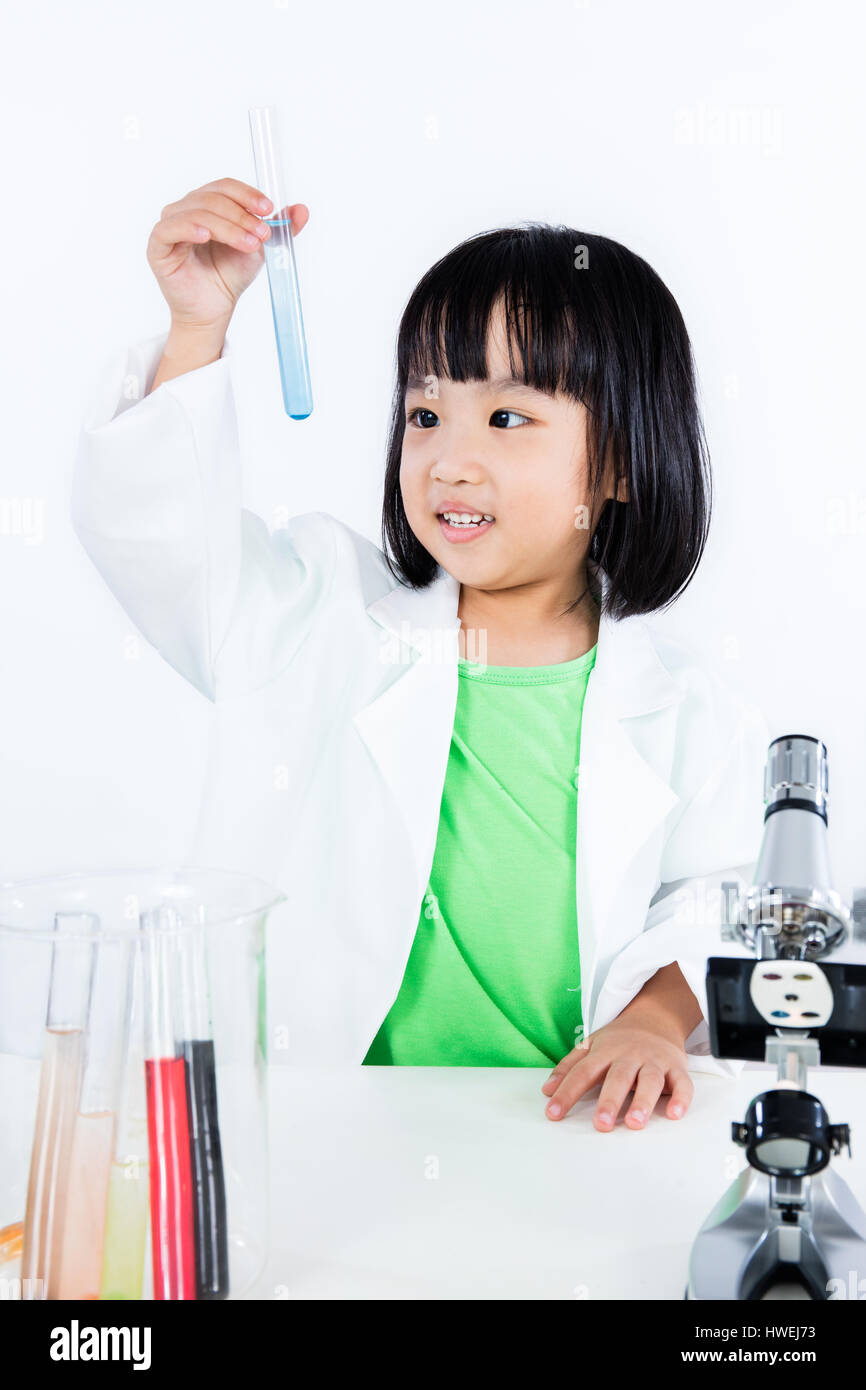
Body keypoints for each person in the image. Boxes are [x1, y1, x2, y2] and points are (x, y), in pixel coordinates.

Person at [72, 178, 769, 1132]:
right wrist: (196, 330)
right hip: (336, 1128)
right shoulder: (317, 618)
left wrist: (652, 1023)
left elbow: (718, 904)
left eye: (509, 419)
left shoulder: (685, 710)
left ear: (617, 463)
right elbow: (165, 543)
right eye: (426, 415)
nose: (449, 460)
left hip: (563, 1131)